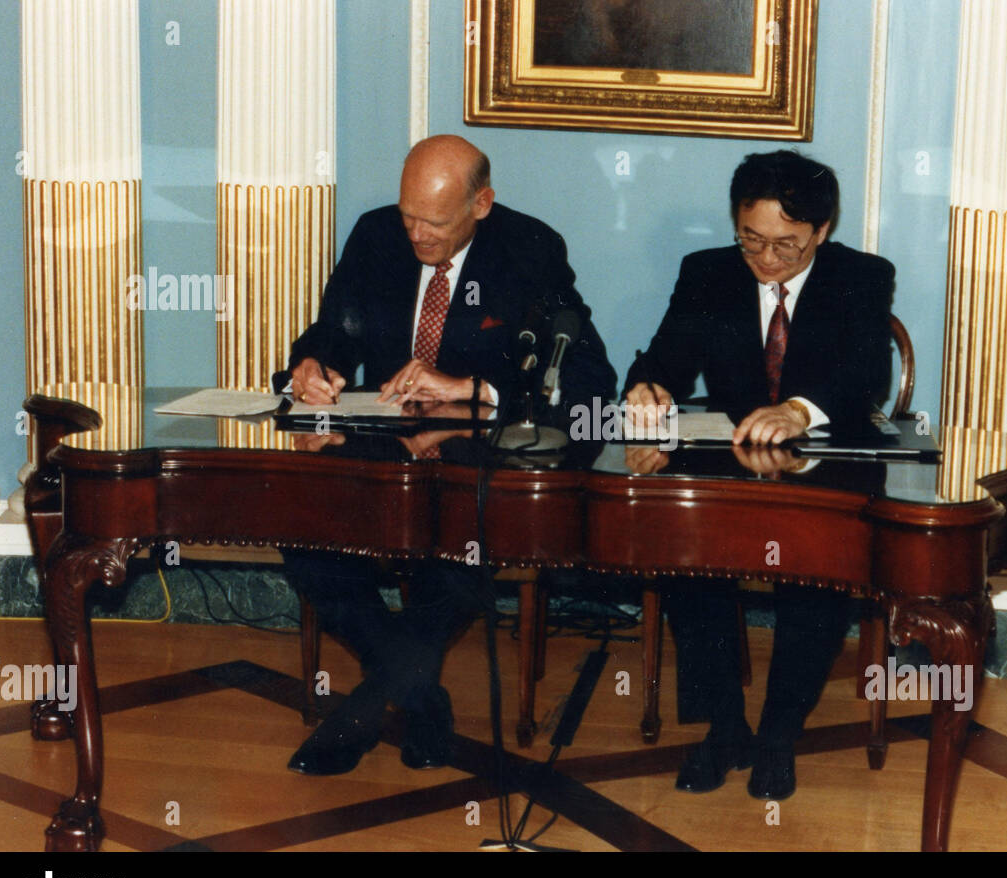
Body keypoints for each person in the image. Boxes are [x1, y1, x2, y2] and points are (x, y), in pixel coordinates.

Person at [283, 134, 617, 775]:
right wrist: (314, 366)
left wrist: (475, 390)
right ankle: (418, 692)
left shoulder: (529, 250)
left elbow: (588, 379)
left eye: (434, 222)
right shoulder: (377, 236)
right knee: (305, 530)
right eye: (408, 215)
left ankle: (372, 702)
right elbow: (333, 330)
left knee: (459, 541)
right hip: (377, 449)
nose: (417, 235)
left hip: (475, 458)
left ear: (481, 204)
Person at [624, 149, 894, 799]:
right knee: (687, 558)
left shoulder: (861, 276)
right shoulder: (708, 273)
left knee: (819, 575)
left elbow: (867, 376)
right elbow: (662, 360)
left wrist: (798, 410)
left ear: (821, 232)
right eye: (752, 240)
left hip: (825, 465)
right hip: (731, 472)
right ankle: (723, 727)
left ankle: (778, 732)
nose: (767, 261)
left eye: (786, 245)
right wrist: (647, 392)